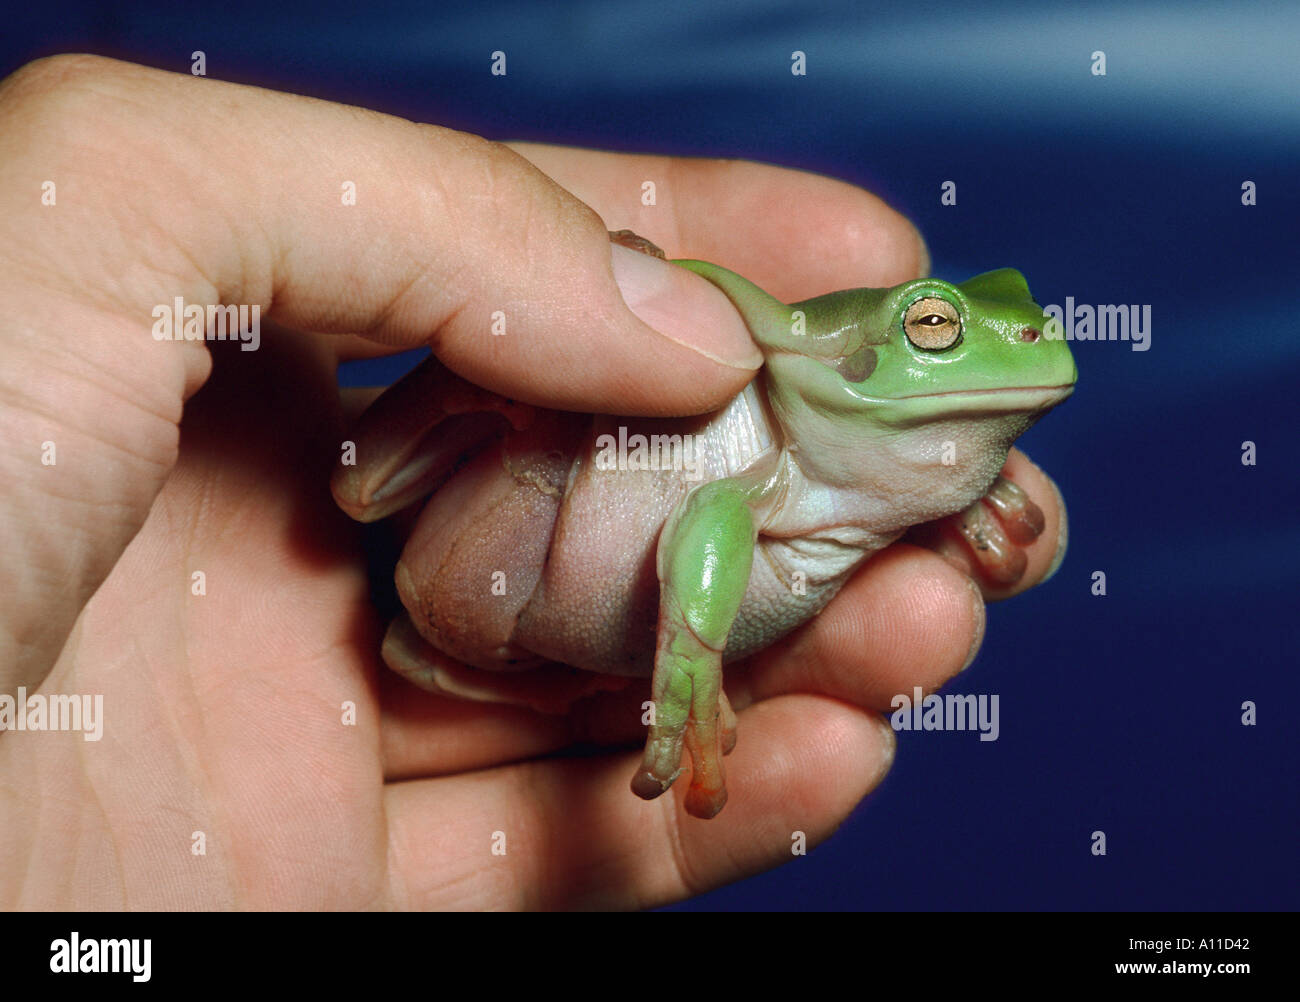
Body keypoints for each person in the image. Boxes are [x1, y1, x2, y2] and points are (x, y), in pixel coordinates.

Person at [0, 55, 1067, 909]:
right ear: (862, 352)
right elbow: (717, 505)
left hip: (514, 657)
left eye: (1004, 319)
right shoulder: (764, 387)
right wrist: (686, 664)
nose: (1023, 335)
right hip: (483, 567)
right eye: (935, 325)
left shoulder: (900, 462)